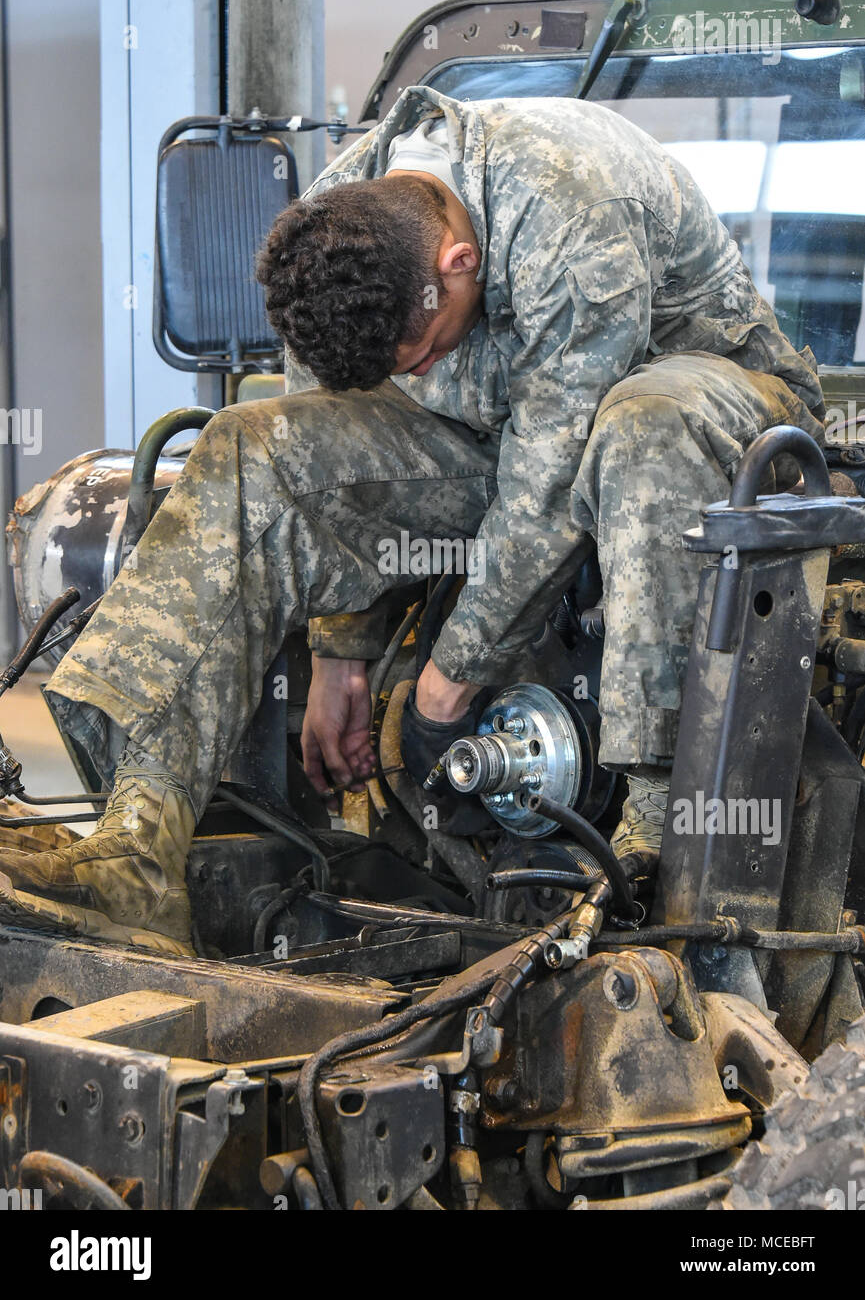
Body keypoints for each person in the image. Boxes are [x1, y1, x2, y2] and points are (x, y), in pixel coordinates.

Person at [0, 87, 824, 954]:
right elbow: (326, 420)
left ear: (460, 260)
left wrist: (446, 684)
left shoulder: (571, 207)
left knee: (639, 424)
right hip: (497, 437)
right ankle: (137, 844)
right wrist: (338, 654)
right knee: (250, 447)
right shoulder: (333, 235)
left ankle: (659, 841)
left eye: (424, 352)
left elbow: (546, 487)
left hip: (709, 418)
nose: (424, 367)